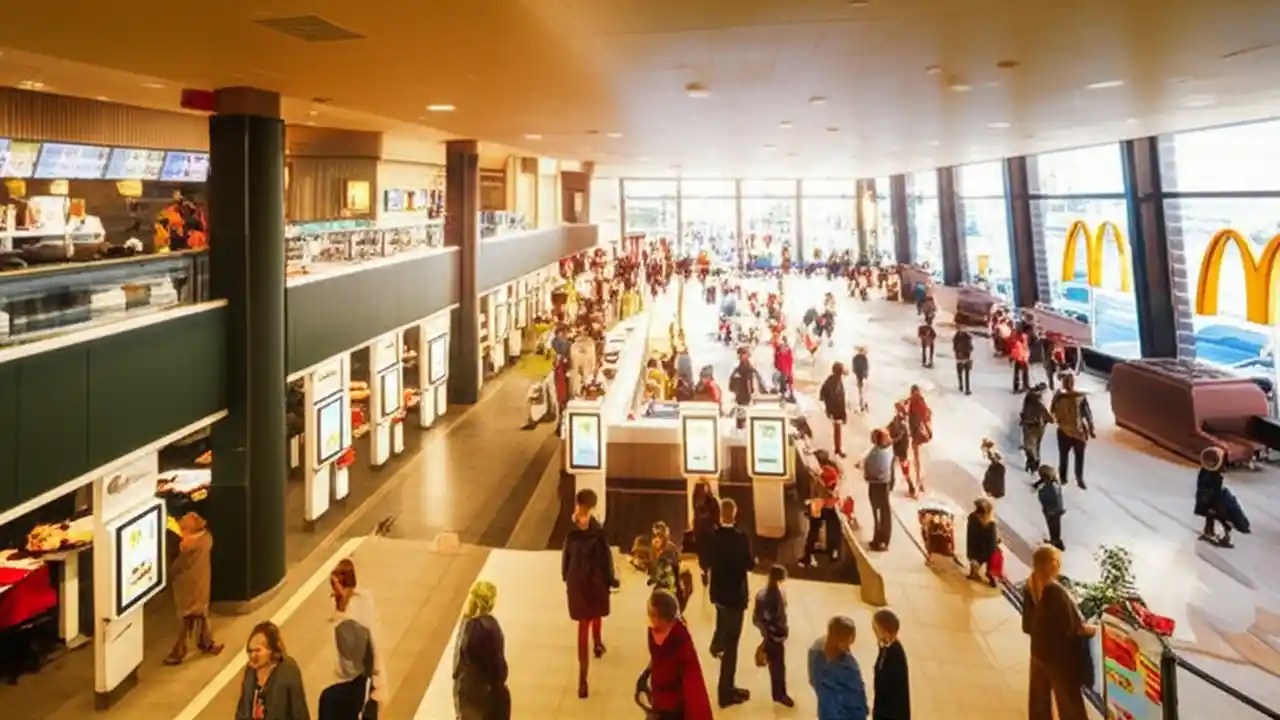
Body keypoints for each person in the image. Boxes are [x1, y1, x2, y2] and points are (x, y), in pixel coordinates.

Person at [1022, 544, 1094, 720]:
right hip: (1060, 659)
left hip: (1039, 651)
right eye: (1057, 560)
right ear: (1051, 563)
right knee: (1069, 704)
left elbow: (1027, 625)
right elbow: (1077, 628)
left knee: (1039, 700)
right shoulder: (1056, 592)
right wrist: (1097, 630)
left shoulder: (1030, 584)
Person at [562, 488, 618, 699]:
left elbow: (566, 558)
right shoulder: (597, 530)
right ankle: (598, 643)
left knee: (582, 625)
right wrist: (611, 580)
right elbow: (606, 559)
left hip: (577, 583)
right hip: (595, 582)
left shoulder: (569, 529)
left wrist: (567, 577)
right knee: (596, 614)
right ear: (593, 505)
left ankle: (582, 680)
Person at [319, 559, 387, 720]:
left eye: (336, 586)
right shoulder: (339, 604)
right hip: (346, 679)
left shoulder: (361, 605)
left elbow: (371, 642)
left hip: (358, 682)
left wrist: (377, 681)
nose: (334, 591)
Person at [706, 498, 753, 708]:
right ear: (734, 514)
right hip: (735, 597)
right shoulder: (740, 538)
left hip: (719, 595)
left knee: (724, 629)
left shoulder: (714, 537)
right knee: (732, 645)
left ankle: (717, 644)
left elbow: (707, 561)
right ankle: (726, 691)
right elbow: (749, 564)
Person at [640, 590, 714, 720]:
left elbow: (693, 682)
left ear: (665, 619)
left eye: (652, 615)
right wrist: (647, 673)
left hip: (675, 707)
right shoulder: (653, 630)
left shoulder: (681, 641)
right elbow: (657, 659)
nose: (650, 619)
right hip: (658, 701)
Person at [165, 512, 223, 665]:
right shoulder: (206, 540)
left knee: (185, 621)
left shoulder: (187, 549)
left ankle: (178, 652)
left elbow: (176, 568)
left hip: (187, 589)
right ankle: (206, 643)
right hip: (202, 585)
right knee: (201, 615)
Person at [453, 581, 511, 720]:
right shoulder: (489, 627)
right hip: (485, 695)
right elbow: (498, 667)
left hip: (465, 693)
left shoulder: (466, 624)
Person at [235, 622, 309, 720]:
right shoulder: (250, 671)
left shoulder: (288, 671)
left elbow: (299, 711)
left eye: (258, 650)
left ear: (272, 649)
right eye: (250, 651)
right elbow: (243, 708)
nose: (253, 656)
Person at [808, 616, 869, 720]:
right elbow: (857, 695)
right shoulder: (848, 665)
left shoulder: (815, 650)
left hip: (827, 711)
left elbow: (813, 681)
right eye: (849, 640)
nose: (850, 645)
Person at [752, 565, 794, 707]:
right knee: (778, 666)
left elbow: (756, 617)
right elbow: (778, 618)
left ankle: (778, 693)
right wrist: (780, 632)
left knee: (774, 665)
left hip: (767, 633)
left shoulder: (761, 594)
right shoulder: (776, 596)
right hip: (775, 635)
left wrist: (764, 631)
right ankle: (780, 694)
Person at [1050, 373, 1095, 489]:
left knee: (1074, 457)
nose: (1069, 384)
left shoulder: (1077, 397)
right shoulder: (1062, 396)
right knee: (1067, 457)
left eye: (1070, 382)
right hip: (1070, 432)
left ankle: (1075, 478)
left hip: (1073, 432)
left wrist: (1091, 428)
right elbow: (1052, 410)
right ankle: (1068, 478)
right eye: (1067, 382)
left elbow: (1087, 413)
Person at [1195, 447, 1243, 548]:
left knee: (1214, 516)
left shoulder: (1210, 473)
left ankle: (1212, 532)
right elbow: (1207, 487)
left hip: (1210, 499)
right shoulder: (1210, 474)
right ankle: (1217, 534)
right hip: (1210, 500)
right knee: (1220, 517)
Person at [800, 462, 843, 567]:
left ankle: (810, 555)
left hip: (821, 502)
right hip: (819, 502)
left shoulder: (822, 477)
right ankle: (812, 554)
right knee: (821, 528)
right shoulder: (819, 481)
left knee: (819, 528)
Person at [871, 608, 910, 720]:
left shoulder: (895, 654)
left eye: (876, 628)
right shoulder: (886, 647)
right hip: (883, 708)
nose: (873, 630)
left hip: (890, 712)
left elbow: (889, 685)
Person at [862, 429, 896, 551]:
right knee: (881, 513)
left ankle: (881, 540)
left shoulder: (879, 453)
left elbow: (869, 471)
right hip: (880, 485)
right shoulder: (882, 452)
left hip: (878, 485)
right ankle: (880, 539)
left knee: (880, 513)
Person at [691, 478, 720, 585]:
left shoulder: (712, 501)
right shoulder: (697, 500)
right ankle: (705, 571)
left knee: (708, 553)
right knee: (702, 554)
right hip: (701, 532)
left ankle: (708, 571)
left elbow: (716, 517)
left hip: (709, 532)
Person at [1020, 384, 1054, 472]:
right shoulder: (1037, 399)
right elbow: (1045, 413)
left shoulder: (1031, 397)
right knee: (1032, 446)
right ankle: (1034, 462)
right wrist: (1049, 419)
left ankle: (1033, 462)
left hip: (1034, 425)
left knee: (1032, 446)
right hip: (1033, 425)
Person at [966, 498, 999, 587]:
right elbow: (991, 544)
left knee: (974, 560)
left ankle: (973, 571)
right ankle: (991, 575)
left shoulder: (972, 517)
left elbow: (971, 535)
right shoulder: (990, 525)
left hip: (972, 549)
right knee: (996, 555)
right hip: (984, 552)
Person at [819, 362, 850, 457]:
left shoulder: (832, 379)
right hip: (836, 409)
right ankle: (838, 449)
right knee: (838, 429)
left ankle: (838, 448)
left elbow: (822, 395)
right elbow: (838, 398)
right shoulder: (835, 381)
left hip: (834, 409)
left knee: (837, 429)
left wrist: (827, 406)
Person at [1033, 466, 1067, 551]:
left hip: (1052, 511)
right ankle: (1054, 542)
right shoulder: (1055, 483)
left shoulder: (1050, 488)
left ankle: (1056, 545)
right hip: (1055, 510)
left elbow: (1045, 497)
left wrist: (1041, 492)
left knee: (1053, 528)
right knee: (1054, 528)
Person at [906, 386, 932, 495]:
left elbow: (900, 408)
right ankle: (920, 481)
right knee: (919, 458)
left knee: (916, 458)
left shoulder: (912, 401)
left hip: (915, 434)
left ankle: (917, 480)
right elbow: (928, 415)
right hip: (924, 434)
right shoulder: (922, 402)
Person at [649, 521, 681, 595]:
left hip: (669, 577)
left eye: (660, 535)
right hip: (660, 577)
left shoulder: (671, 547)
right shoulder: (655, 545)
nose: (658, 538)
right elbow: (654, 563)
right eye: (656, 535)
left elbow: (675, 565)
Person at [887, 404, 913, 493]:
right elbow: (890, 426)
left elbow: (901, 435)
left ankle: (911, 486)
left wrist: (892, 440)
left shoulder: (903, 423)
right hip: (897, 447)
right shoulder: (896, 419)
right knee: (891, 465)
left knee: (904, 468)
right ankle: (891, 484)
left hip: (901, 447)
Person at [774, 335, 796, 402]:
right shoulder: (786, 350)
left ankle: (788, 396)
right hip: (786, 369)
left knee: (785, 383)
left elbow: (778, 360)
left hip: (785, 369)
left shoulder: (781, 350)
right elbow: (790, 360)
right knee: (787, 382)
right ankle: (789, 395)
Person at [952, 328, 974, 395]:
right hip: (964, 357)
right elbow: (970, 347)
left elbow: (955, 347)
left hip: (962, 358)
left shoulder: (957, 337)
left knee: (963, 374)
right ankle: (964, 387)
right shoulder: (966, 337)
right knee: (964, 374)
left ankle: (964, 387)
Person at [851, 347, 870, 412]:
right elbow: (866, 368)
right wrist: (866, 374)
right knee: (862, 391)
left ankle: (861, 404)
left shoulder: (856, 358)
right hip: (861, 376)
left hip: (858, 376)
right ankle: (863, 404)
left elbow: (854, 368)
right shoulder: (863, 358)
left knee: (860, 391)